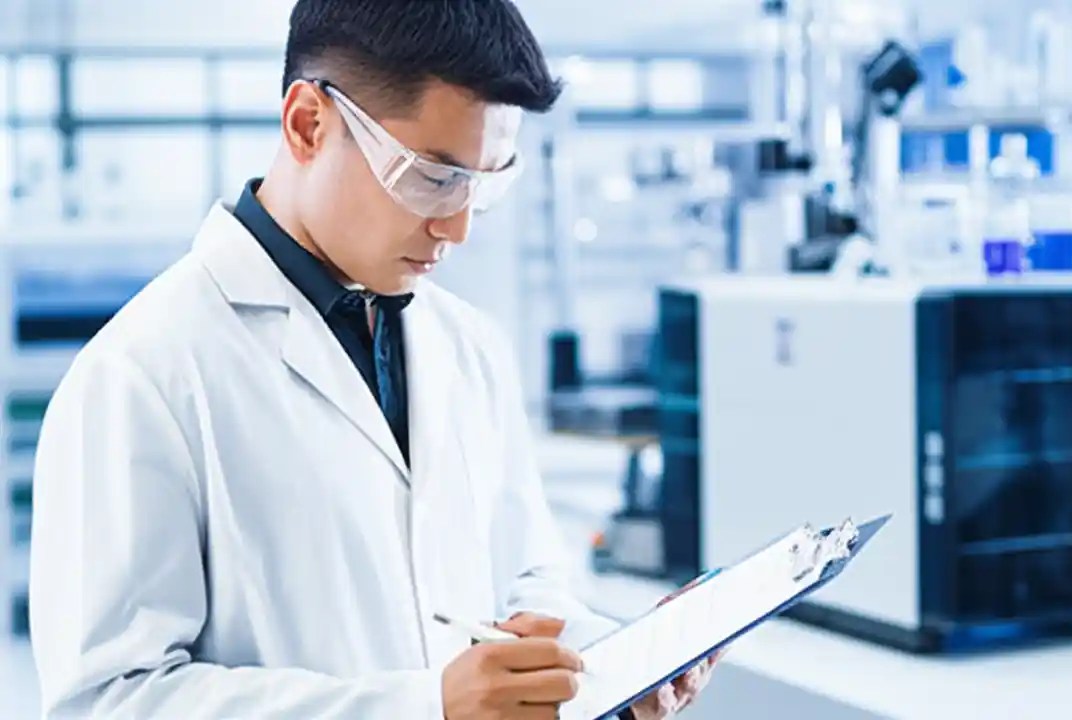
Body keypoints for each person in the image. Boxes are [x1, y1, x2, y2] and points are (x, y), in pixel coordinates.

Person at [27, 1, 717, 718]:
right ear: (308, 124)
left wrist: (608, 662)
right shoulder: (143, 375)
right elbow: (108, 699)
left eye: (485, 184)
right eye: (432, 177)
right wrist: (423, 708)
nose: (457, 227)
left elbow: (522, 587)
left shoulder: (467, 345)